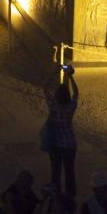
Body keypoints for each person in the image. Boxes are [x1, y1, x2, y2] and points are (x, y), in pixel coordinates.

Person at [43, 67, 79, 200]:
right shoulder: (70, 108)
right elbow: (76, 93)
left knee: (55, 171)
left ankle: (56, 193)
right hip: (69, 144)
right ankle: (70, 196)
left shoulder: (53, 106)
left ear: (56, 95)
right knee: (69, 171)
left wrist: (54, 72)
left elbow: (45, 88)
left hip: (55, 143)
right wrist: (70, 77)